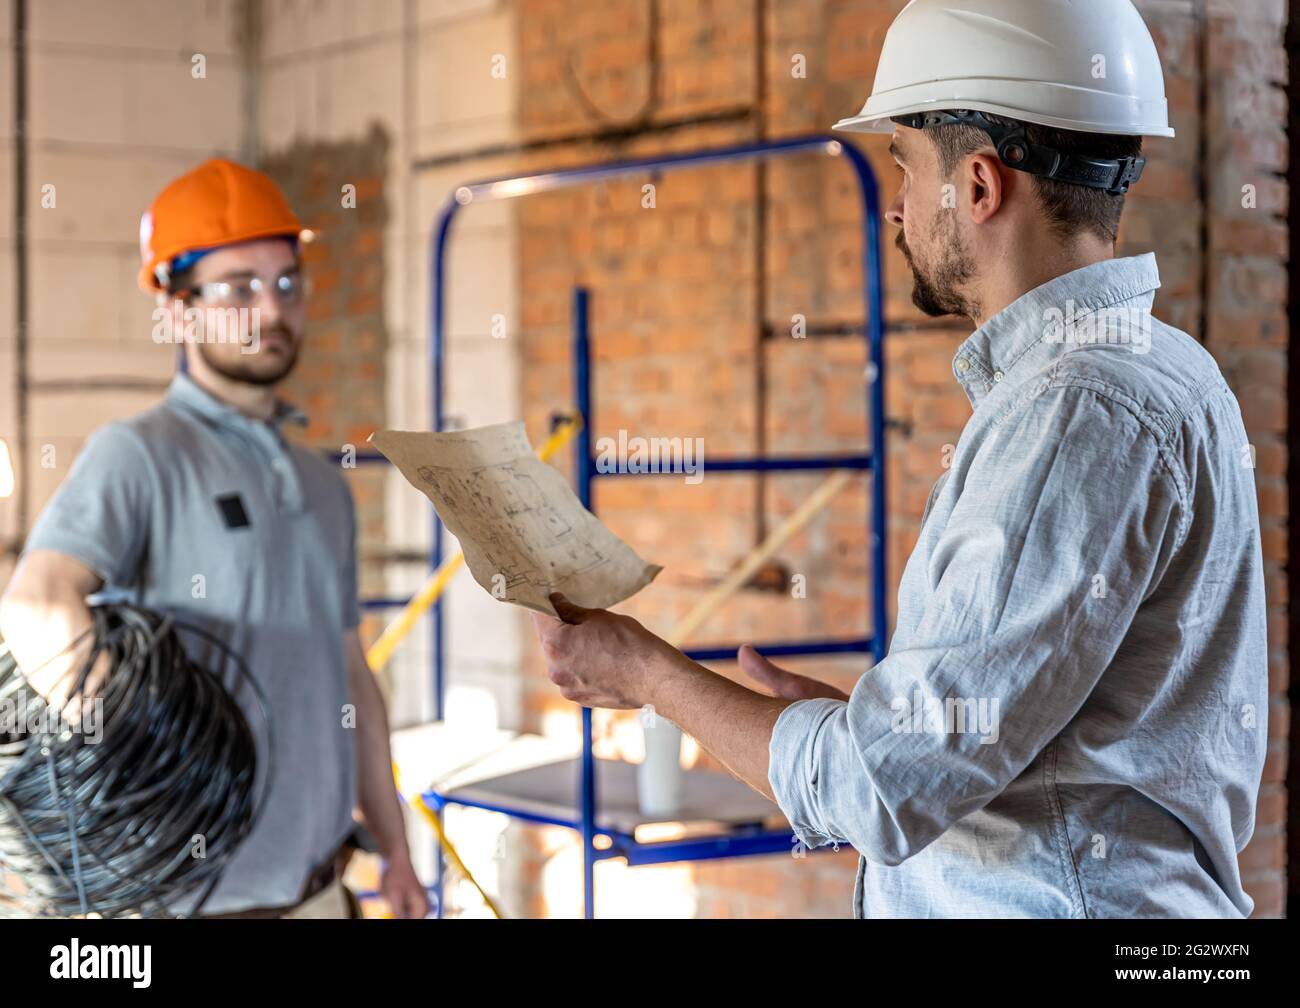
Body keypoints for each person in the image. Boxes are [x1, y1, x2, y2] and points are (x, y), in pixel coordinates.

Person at [529, 0, 1267, 918]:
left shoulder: (1072, 412)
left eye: (907, 168)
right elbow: (1013, 736)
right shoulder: (1170, 368)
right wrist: (859, 726)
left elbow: (886, 787)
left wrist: (648, 676)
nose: (897, 207)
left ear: (981, 187)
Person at [0, 158, 429, 919]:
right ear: (178, 309)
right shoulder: (139, 453)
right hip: (190, 906)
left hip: (324, 893)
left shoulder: (323, 483)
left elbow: (350, 676)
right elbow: (36, 603)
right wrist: (138, 761)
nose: (272, 306)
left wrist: (395, 849)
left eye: (286, 282)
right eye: (238, 288)